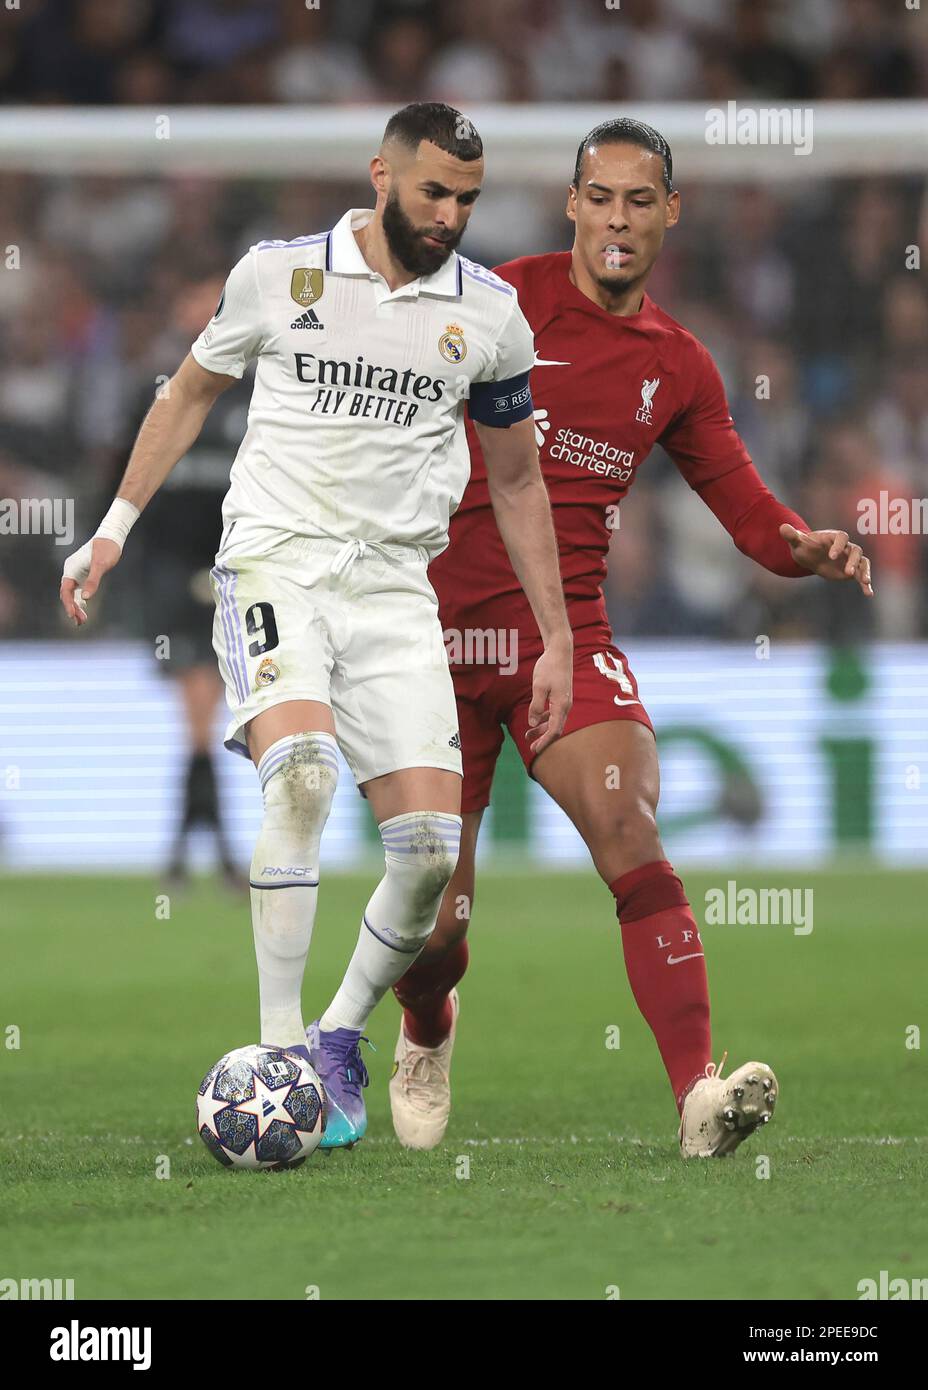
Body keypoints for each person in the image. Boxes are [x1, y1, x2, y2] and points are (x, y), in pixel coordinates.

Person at [59, 102, 573, 1155]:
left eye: (468, 199)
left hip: (394, 590)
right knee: (300, 772)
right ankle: (279, 1053)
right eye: (433, 190)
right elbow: (192, 389)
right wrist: (112, 530)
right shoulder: (278, 275)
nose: (449, 214)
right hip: (275, 561)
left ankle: (340, 1033)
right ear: (379, 174)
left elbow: (518, 481)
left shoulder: (489, 313)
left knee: (428, 854)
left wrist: (556, 633)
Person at [388, 118, 873, 1159]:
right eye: (599, 197)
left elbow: (747, 514)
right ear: (571, 203)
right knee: (436, 927)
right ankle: (427, 1023)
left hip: (562, 637)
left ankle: (697, 1092)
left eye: (638, 200)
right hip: (425, 634)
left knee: (629, 832)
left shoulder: (681, 365)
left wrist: (806, 546)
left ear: (669, 213)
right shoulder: (489, 300)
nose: (617, 218)